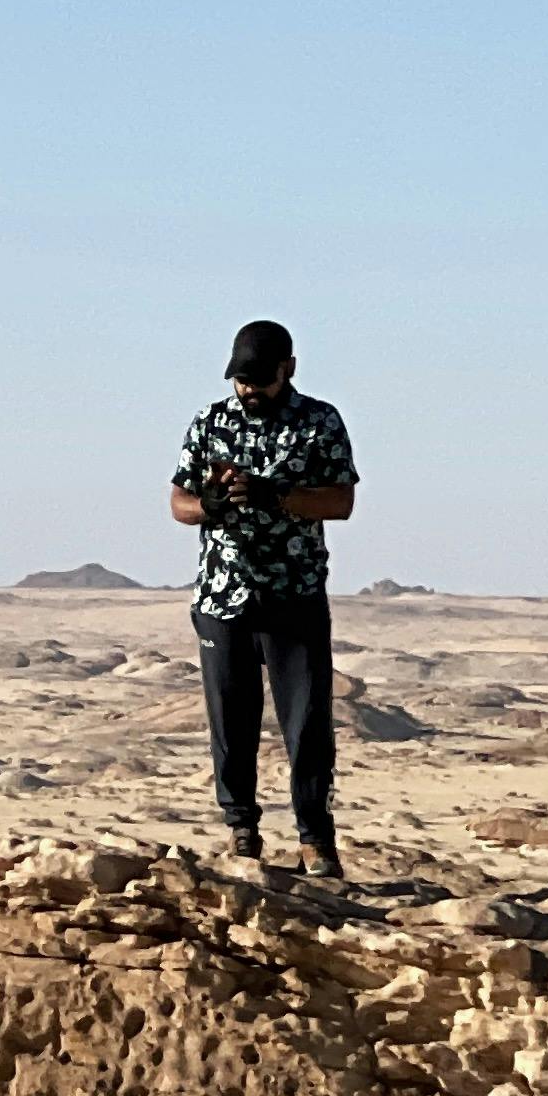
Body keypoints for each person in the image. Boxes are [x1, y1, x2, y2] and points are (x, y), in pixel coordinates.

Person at [166, 318, 357, 878]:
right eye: (239, 380)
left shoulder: (318, 421)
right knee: (231, 722)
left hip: (292, 594)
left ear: (288, 369)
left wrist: (279, 495)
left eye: (259, 379)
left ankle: (315, 842)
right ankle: (242, 832)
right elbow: (178, 501)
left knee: (306, 725)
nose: (248, 390)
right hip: (221, 596)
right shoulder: (210, 420)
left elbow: (341, 501)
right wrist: (212, 508)